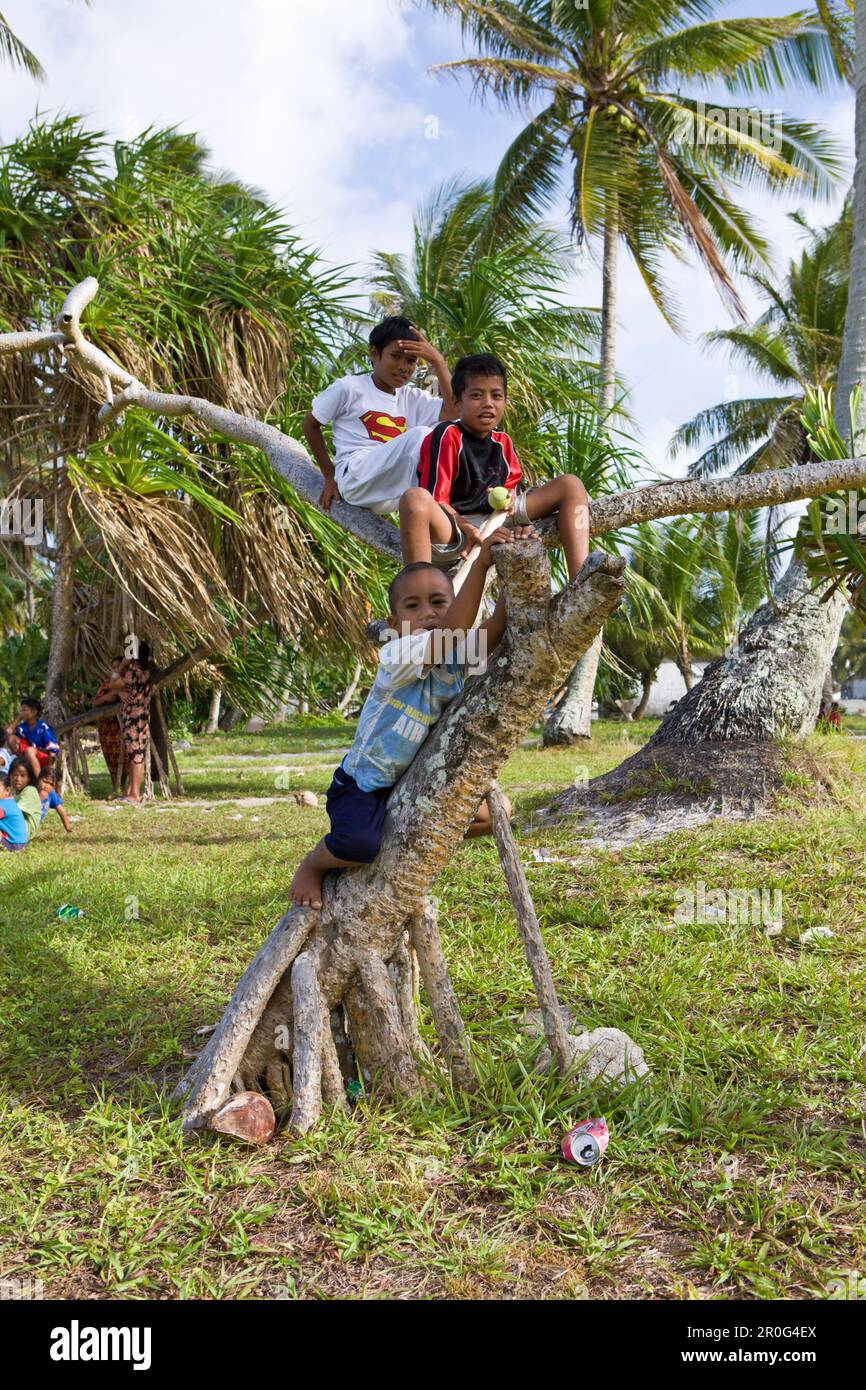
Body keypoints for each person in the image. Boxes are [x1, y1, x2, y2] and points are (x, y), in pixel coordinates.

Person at [288, 530, 524, 909]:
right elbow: (453, 632)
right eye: (413, 607)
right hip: (361, 784)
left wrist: (512, 573)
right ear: (394, 624)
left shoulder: (456, 657)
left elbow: (492, 631)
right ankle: (313, 864)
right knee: (358, 844)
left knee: (495, 816)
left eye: (439, 602)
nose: (428, 612)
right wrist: (481, 563)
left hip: (411, 782)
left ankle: (405, 836)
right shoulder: (398, 654)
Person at [399, 352, 590, 581]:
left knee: (571, 485)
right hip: (457, 526)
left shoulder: (503, 441)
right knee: (414, 499)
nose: (488, 403)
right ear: (457, 402)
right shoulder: (448, 434)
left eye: (496, 396)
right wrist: (464, 525)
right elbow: (437, 500)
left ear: (505, 401)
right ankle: (417, 586)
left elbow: (511, 492)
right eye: (477, 395)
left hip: (497, 519)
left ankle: (581, 578)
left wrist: (511, 502)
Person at [303, 317, 456, 517]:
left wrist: (439, 362)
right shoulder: (350, 388)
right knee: (423, 436)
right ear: (374, 354)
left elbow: (455, 413)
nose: (403, 367)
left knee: (454, 433)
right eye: (396, 356)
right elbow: (310, 424)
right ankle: (445, 509)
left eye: (411, 361)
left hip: (391, 495)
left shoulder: (412, 398)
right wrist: (329, 475)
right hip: (356, 479)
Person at [108, 644, 153, 804]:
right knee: (137, 754)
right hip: (143, 718)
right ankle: (131, 791)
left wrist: (122, 664)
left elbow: (112, 683)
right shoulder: (147, 672)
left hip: (133, 719)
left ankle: (134, 794)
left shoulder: (133, 672)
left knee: (135, 756)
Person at [92, 655, 127, 790]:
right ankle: (116, 786)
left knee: (125, 757)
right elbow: (95, 703)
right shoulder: (107, 684)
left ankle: (124, 785)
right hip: (107, 727)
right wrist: (108, 696)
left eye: (117, 666)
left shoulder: (129, 681)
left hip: (122, 726)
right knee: (111, 757)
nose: (115, 670)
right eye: (113, 668)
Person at [15, 696, 60, 781]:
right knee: (12, 738)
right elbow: (7, 734)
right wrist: (18, 719)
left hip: (43, 758)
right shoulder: (23, 727)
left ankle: (39, 780)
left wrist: (49, 771)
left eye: (24, 710)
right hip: (28, 756)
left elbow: (52, 752)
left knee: (29, 750)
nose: (21, 713)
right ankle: (23, 767)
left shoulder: (43, 728)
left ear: (34, 712)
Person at [8, 757, 41, 841]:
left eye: (22, 776)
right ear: (10, 776)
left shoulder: (30, 791)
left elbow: (14, 812)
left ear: (29, 778)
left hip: (23, 832)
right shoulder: (13, 790)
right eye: (15, 775)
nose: (18, 779)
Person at [0, 773, 28, 850]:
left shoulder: (3, 804)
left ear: (7, 790)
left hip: (13, 844)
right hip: (20, 843)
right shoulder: (9, 801)